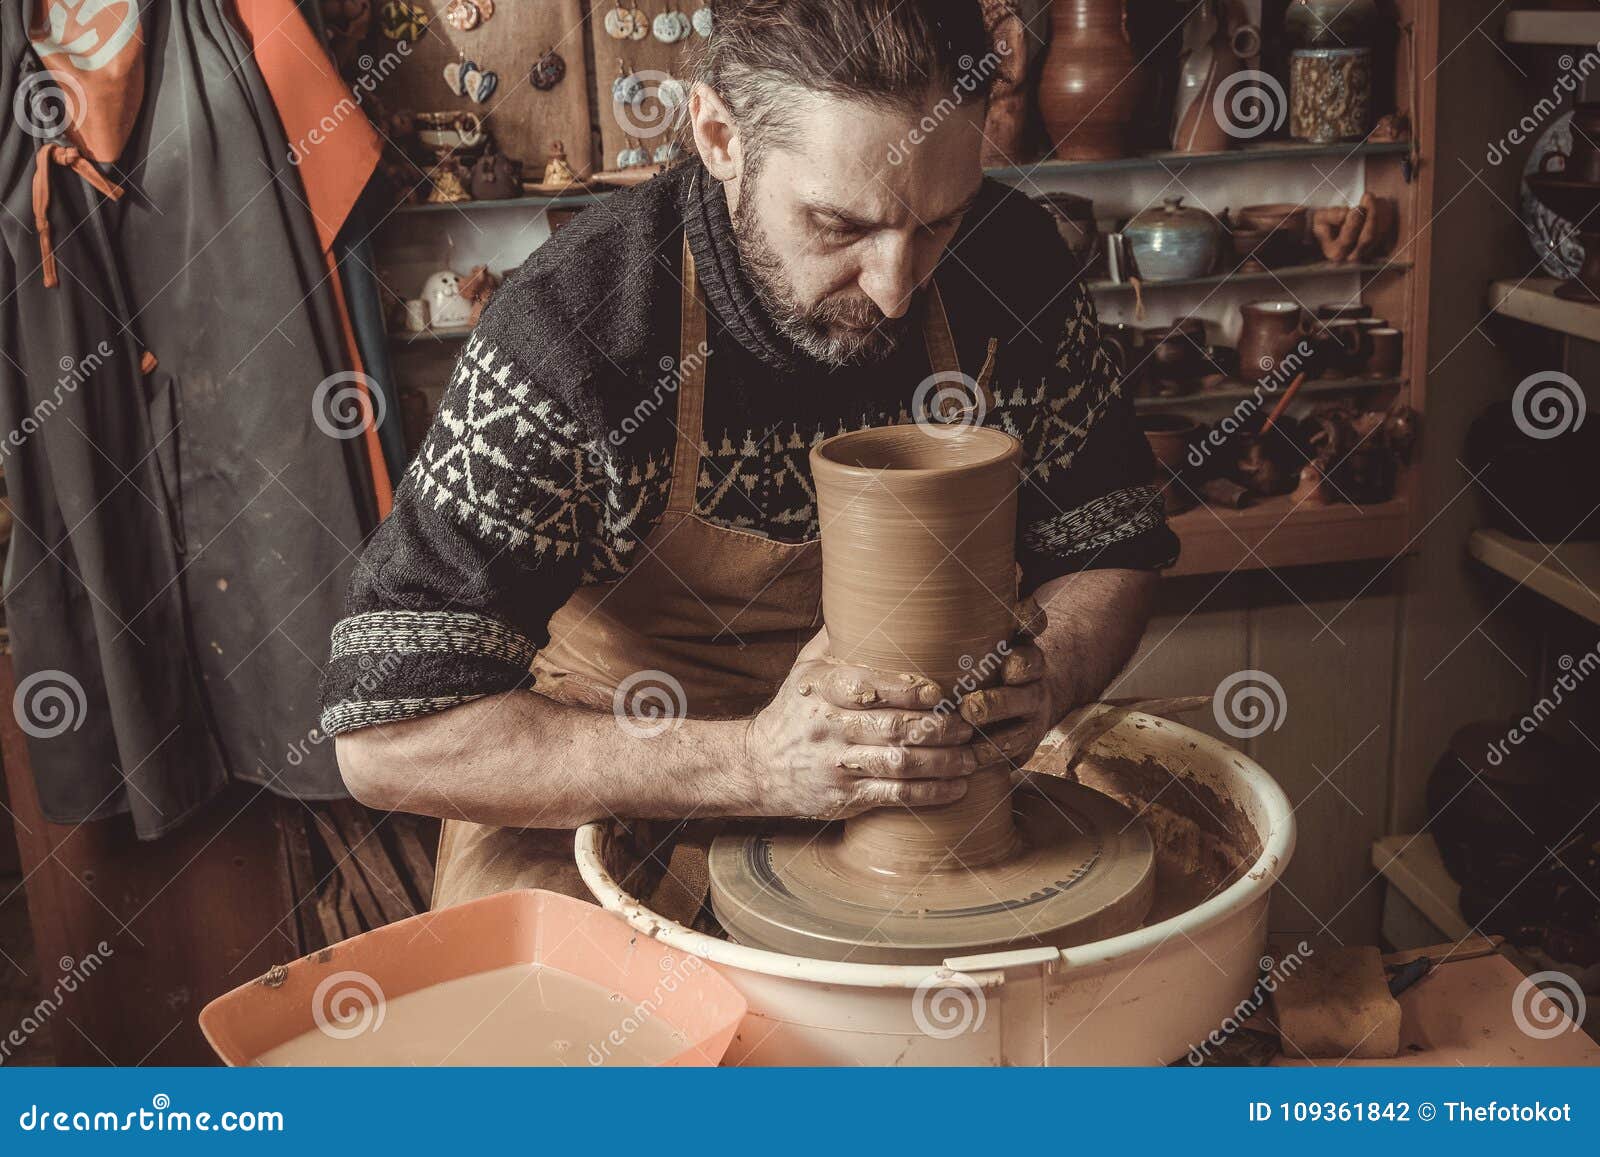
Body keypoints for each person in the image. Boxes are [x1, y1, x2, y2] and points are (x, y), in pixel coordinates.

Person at [323, 0, 1178, 907]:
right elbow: (390, 734)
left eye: (938, 224)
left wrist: (1050, 684)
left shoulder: (1016, 262)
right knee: (563, 1028)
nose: (895, 288)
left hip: (936, 785)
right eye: (841, 226)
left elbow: (1110, 546)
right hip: (621, 777)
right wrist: (751, 764)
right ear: (720, 134)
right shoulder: (575, 333)